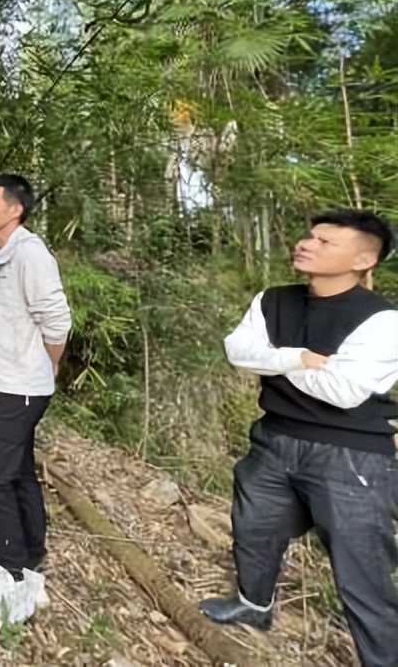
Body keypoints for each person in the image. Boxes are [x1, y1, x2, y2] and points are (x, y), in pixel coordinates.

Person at [198, 209, 398, 667]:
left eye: (326, 242)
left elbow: (344, 391)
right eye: (310, 236)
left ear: (363, 259)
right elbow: (237, 351)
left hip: (352, 456)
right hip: (273, 438)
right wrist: (302, 358)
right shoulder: (273, 299)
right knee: (254, 527)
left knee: (360, 569)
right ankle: (254, 605)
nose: (307, 243)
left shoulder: (384, 320)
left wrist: (274, 361)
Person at [0, 174, 71, 627]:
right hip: (4, 381)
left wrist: (44, 369)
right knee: (17, 471)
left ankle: (12, 583)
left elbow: (57, 320)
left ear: (15, 209)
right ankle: (31, 561)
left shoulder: (30, 253)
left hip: (22, 385)